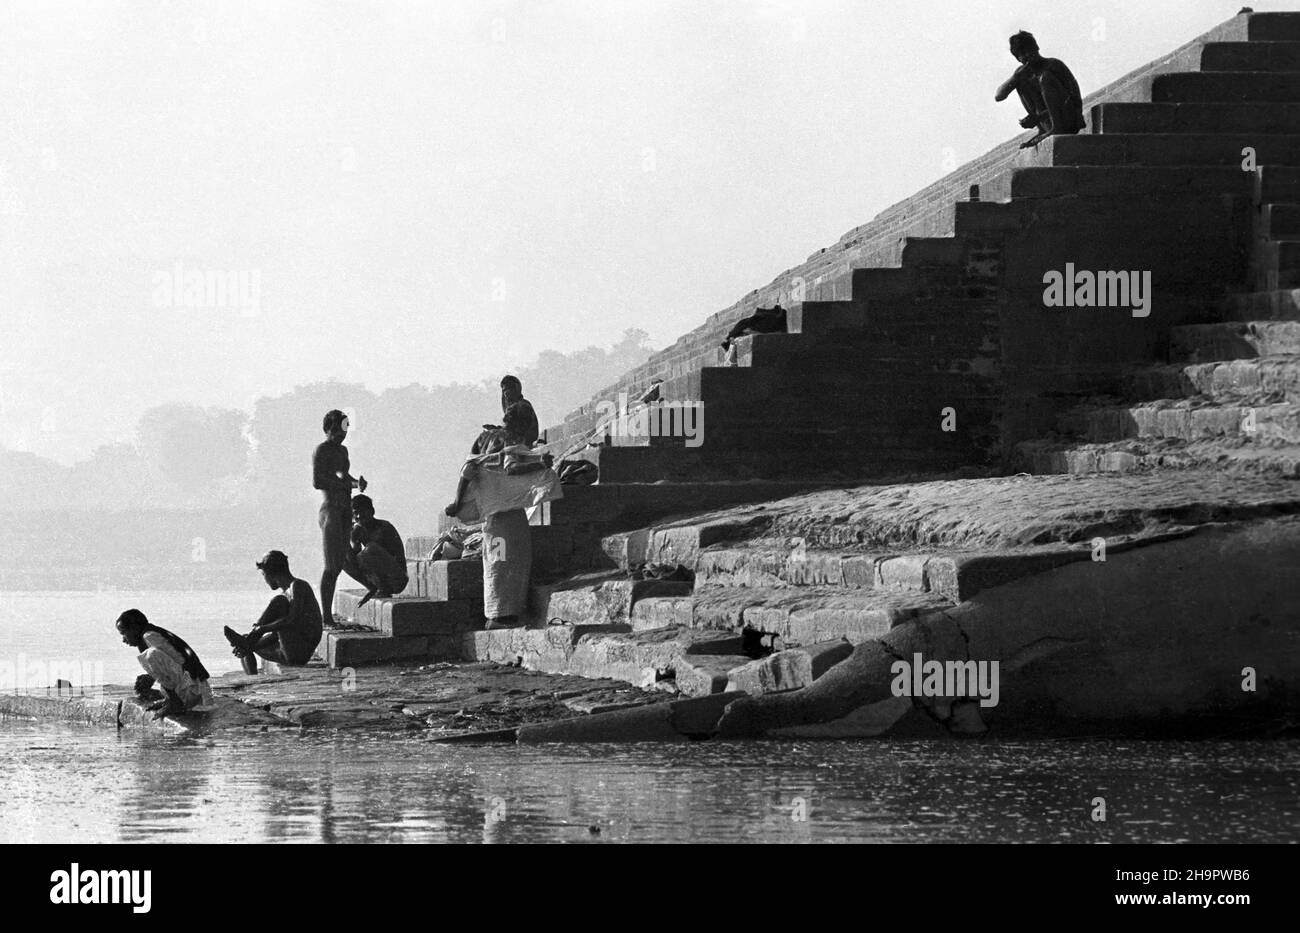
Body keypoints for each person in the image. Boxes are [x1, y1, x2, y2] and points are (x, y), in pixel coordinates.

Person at [444, 406, 562, 632]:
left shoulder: (484, 437)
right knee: (511, 560)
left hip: (491, 518)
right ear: (523, 424)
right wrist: (541, 464)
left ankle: (495, 613)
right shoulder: (511, 440)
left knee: (496, 561)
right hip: (508, 517)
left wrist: (458, 503)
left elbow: (467, 470)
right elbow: (512, 468)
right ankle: (505, 615)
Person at [224, 550, 323, 668]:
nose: (265, 580)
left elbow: (292, 620)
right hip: (291, 647)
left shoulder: (298, 586)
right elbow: (278, 634)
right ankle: (249, 660)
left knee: (278, 601)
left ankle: (246, 642)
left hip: (300, 651)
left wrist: (260, 629)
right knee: (246, 645)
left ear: (270, 572)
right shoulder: (287, 593)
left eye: (263, 575)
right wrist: (252, 640)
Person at [313, 409, 365, 621]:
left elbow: (346, 477)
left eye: (343, 429)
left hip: (345, 509)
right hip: (331, 510)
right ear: (328, 429)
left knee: (340, 562)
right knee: (331, 566)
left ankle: (328, 613)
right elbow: (318, 481)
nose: (340, 434)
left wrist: (357, 484)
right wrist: (343, 483)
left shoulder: (343, 452)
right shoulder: (322, 450)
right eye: (336, 429)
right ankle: (325, 615)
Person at [116, 609, 214, 718]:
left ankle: (175, 702)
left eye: (124, 633)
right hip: (194, 689)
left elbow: (182, 661)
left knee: (151, 655)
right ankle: (170, 700)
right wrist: (152, 676)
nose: (124, 640)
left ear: (135, 628)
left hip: (194, 689)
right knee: (150, 658)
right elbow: (175, 662)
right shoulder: (151, 634)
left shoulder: (149, 636)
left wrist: (152, 677)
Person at [995, 31, 1085, 148]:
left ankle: (1055, 128)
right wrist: (1015, 77)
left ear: (1036, 47)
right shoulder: (1023, 73)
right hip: (1047, 120)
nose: (1028, 55)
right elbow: (999, 96)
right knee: (1020, 81)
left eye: (1029, 50)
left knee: (1045, 78)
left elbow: (1074, 101)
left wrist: (1039, 117)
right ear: (1018, 58)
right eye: (1022, 54)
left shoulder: (1054, 65)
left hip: (1069, 120)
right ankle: (1043, 129)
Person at [342, 494, 408, 605]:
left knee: (370, 550)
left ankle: (383, 589)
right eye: (355, 513)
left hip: (397, 579)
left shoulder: (384, 527)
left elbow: (396, 558)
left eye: (362, 512)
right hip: (379, 579)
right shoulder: (358, 530)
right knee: (342, 557)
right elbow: (355, 559)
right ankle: (372, 587)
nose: (359, 516)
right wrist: (351, 539)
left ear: (371, 511)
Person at [720, 304, 786, 353]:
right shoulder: (736, 335)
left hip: (754, 326)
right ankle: (773, 314)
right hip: (755, 326)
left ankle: (774, 314)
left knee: (751, 323)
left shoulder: (736, 333)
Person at [498, 375, 539, 446]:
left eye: (508, 389)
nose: (506, 393)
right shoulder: (514, 406)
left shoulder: (523, 405)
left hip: (522, 444)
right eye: (504, 390)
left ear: (516, 389)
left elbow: (520, 430)